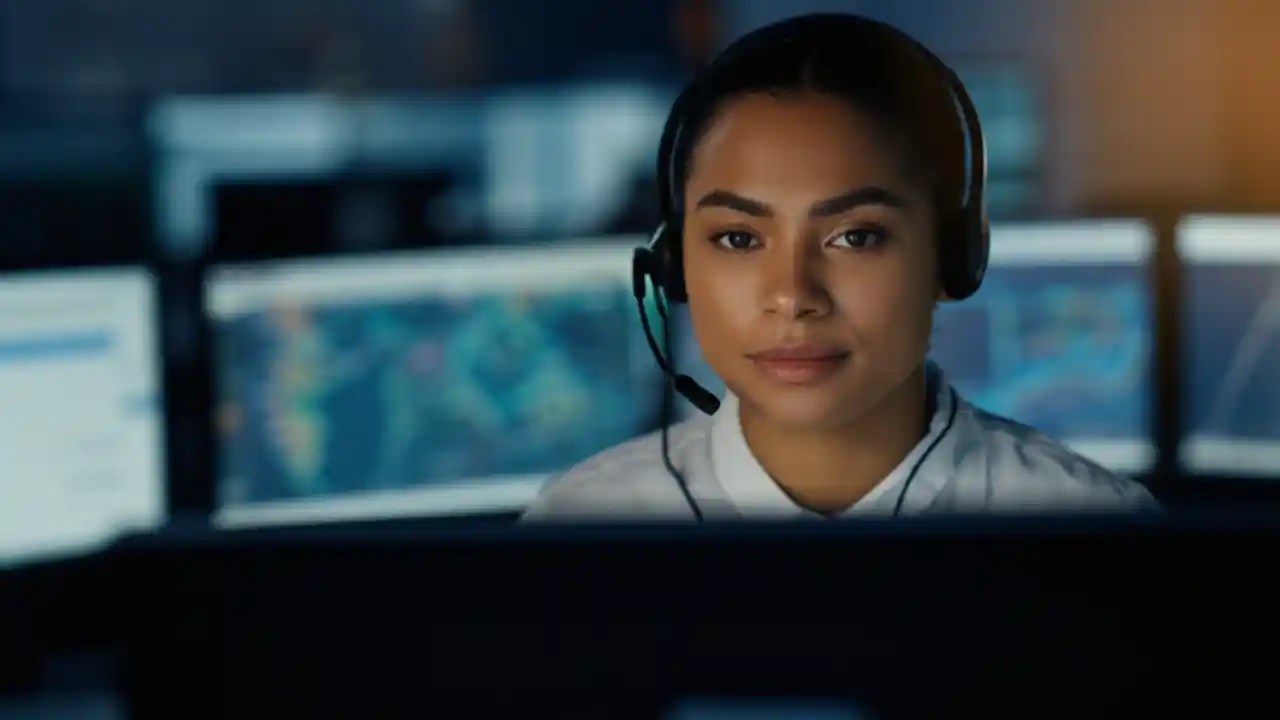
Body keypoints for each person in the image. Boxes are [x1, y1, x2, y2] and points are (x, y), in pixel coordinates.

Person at [523, 13, 1158, 521]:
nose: (793, 296)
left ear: (955, 255)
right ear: (674, 266)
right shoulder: (579, 525)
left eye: (856, 236)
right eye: (740, 239)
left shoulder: (1096, 529)